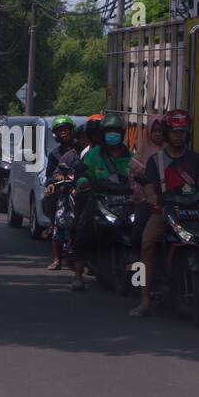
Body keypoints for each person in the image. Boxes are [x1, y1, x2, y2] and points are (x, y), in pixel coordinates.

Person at [131, 108, 199, 321]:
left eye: (182, 131)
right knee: (147, 245)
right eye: (174, 131)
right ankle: (144, 299)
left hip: (195, 211)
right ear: (168, 132)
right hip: (165, 211)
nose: (178, 135)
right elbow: (150, 186)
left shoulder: (196, 159)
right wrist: (152, 197)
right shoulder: (156, 160)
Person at [70, 112, 132, 291]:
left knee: (139, 238)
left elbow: (140, 174)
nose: (113, 134)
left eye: (116, 131)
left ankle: (141, 281)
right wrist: (83, 182)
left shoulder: (130, 155)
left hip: (126, 202)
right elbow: (82, 173)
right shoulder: (94, 154)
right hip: (99, 200)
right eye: (109, 131)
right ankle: (78, 276)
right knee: (82, 230)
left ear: (122, 133)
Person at [44, 116, 80, 270]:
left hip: (83, 192)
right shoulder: (55, 154)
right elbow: (51, 175)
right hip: (65, 192)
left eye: (66, 129)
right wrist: (53, 183)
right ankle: (57, 259)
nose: (64, 133)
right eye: (60, 131)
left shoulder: (84, 150)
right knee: (60, 223)